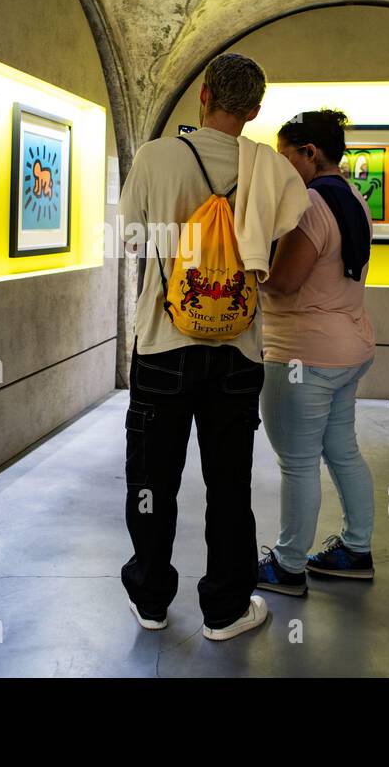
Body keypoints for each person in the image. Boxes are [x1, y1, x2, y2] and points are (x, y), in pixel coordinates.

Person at [116, 53, 307, 641]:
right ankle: (224, 609)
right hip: (239, 351)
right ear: (253, 111)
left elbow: (130, 237)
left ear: (202, 94)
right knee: (229, 485)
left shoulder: (155, 157)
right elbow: (281, 231)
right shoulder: (272, 169)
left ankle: (150, 599)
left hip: (163, 341)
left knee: (152, 479)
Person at [255, 108, 378, 597]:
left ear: (311, 153)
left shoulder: (308, 203)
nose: (283, 167)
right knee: (342, 449)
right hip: (350, 347)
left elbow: (285, 284)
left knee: (298, 463)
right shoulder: (355, 198)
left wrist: (245, 273)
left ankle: (287, 566)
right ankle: (355, 549)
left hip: (303, 354)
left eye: (287, 156)